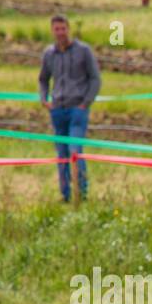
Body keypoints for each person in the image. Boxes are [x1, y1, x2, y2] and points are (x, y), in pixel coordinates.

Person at [37, 14, 100, 203]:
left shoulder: (83, 51)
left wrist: (85, 103)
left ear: (68, 29)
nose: (60, 32)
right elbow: (43, 79)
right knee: (61, 153)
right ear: (52, 31)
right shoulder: (49, 54)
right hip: (57, 110)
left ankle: (81, 193)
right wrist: (44, 99)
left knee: (75, 150)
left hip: (77, 110)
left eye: (63, 28)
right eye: (56, 29)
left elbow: (95, 78)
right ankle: (65, 195)